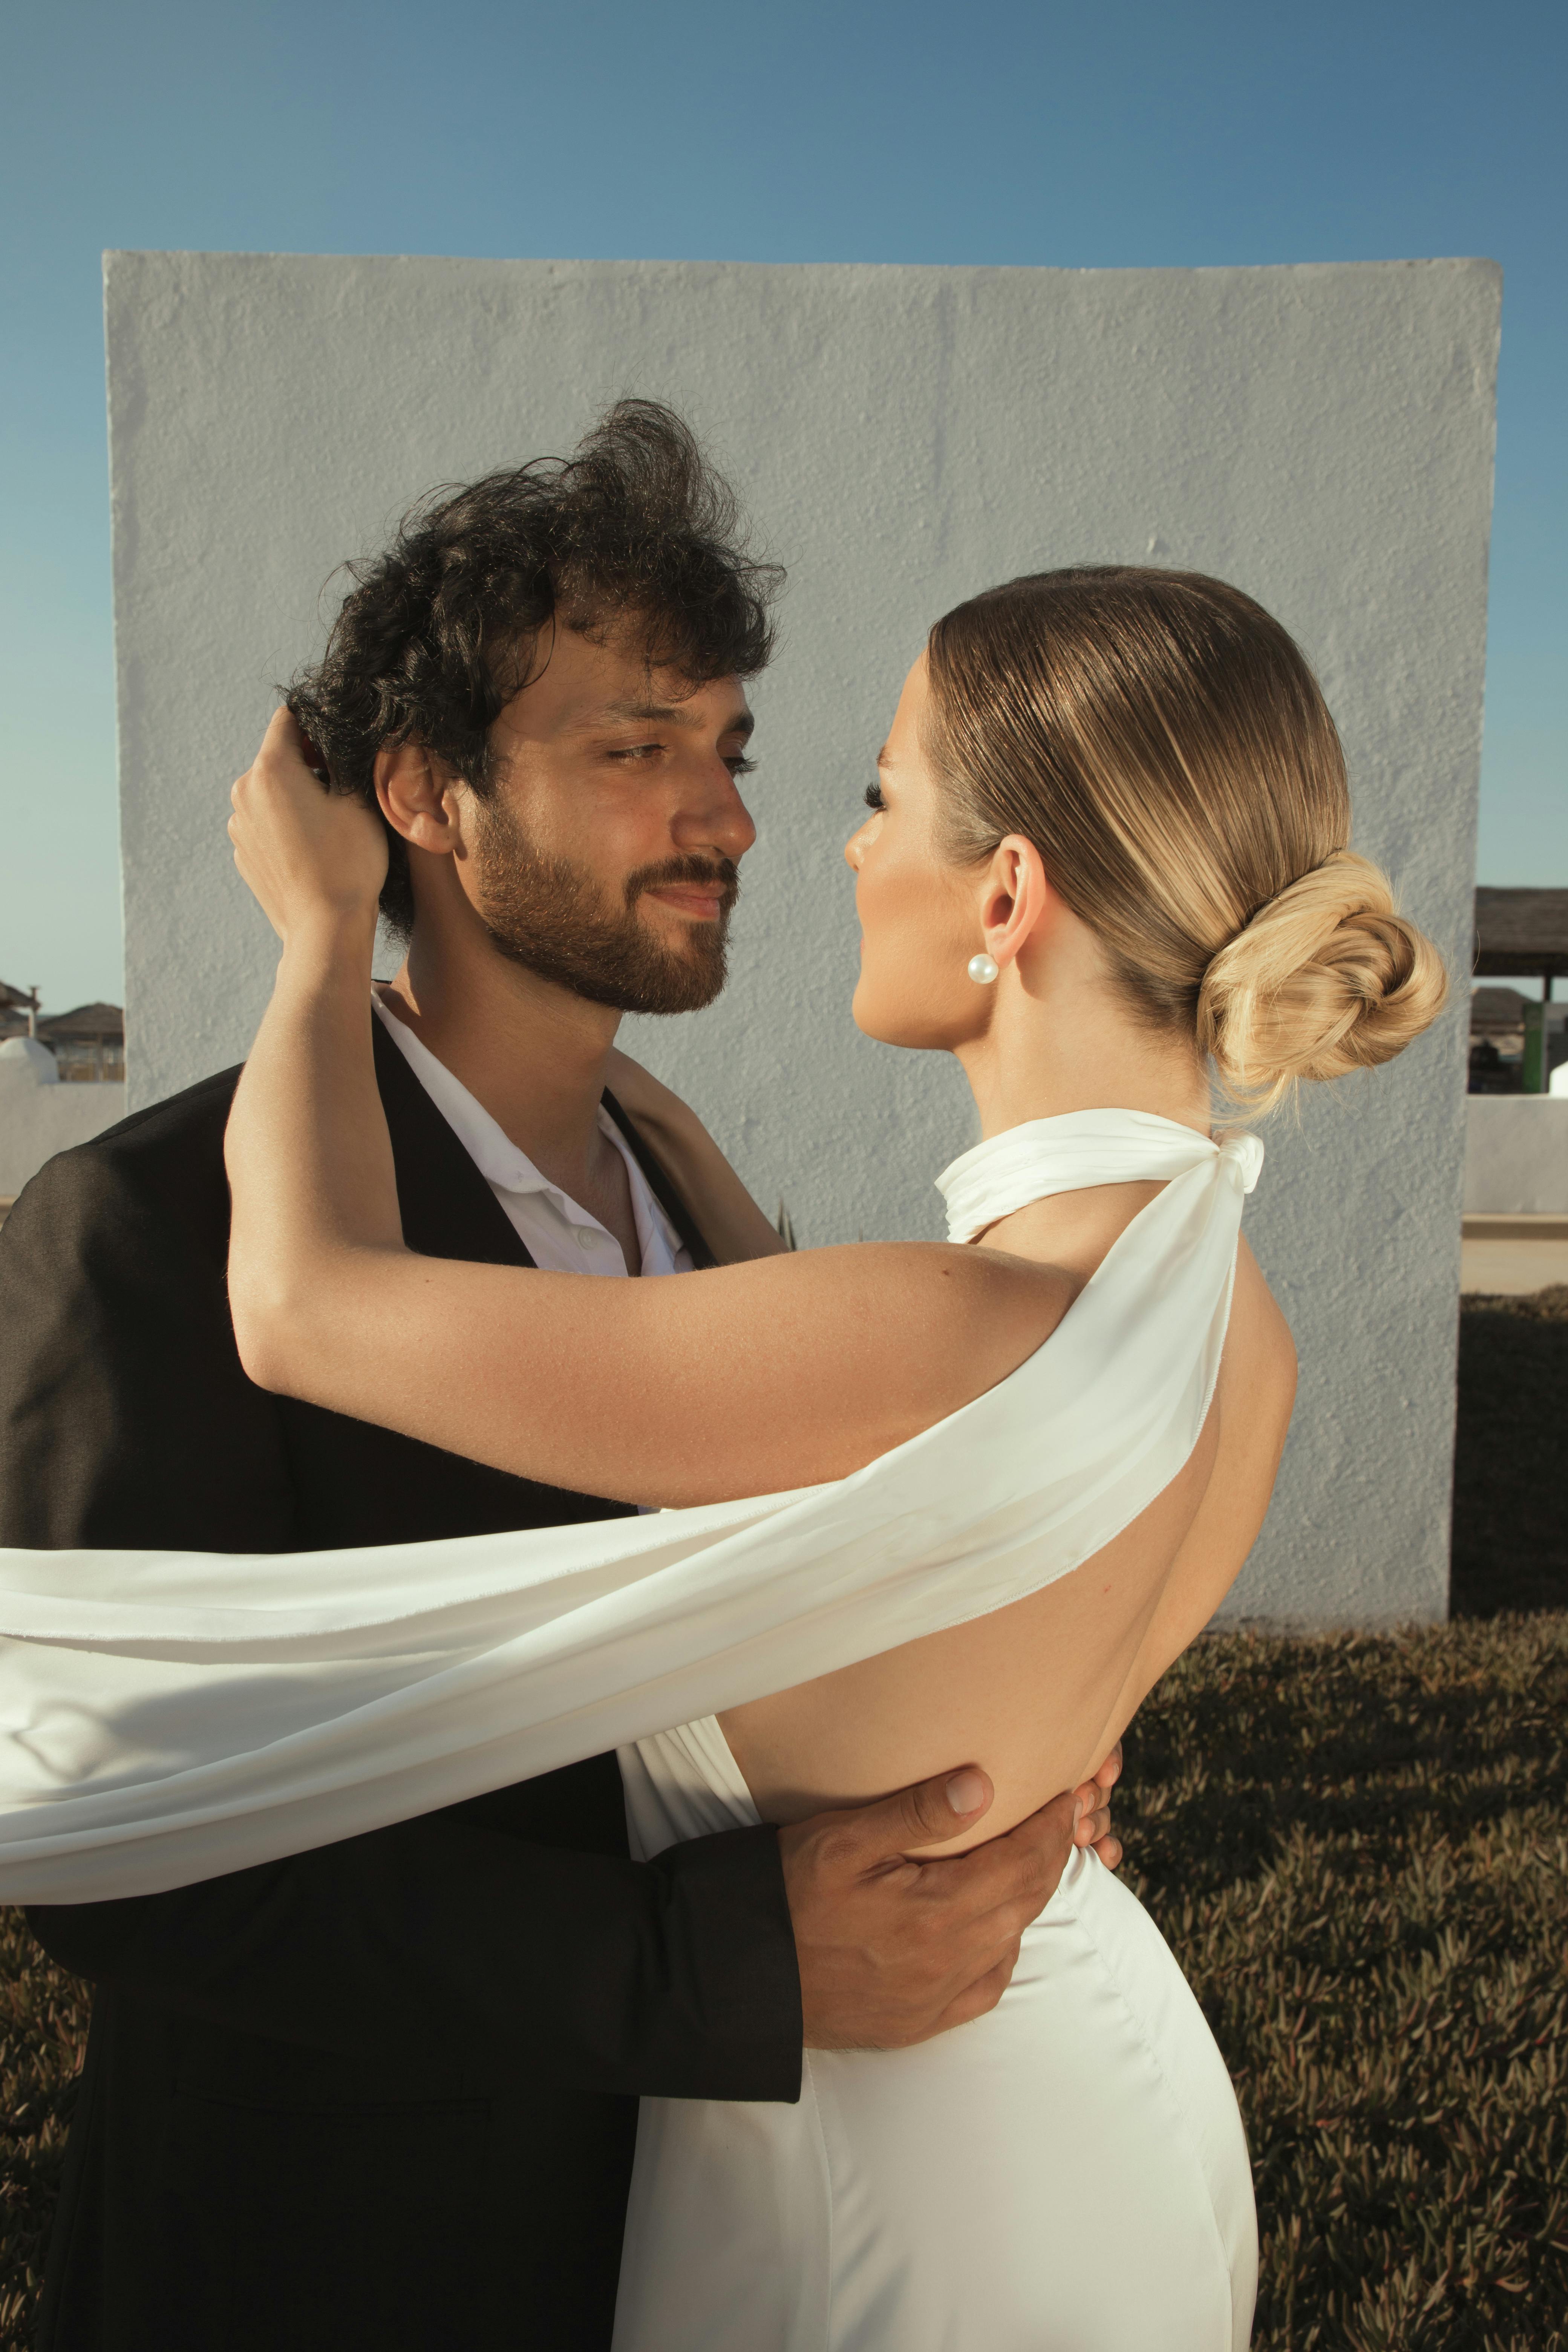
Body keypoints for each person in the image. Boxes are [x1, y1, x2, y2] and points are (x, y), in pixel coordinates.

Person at [213, 558, 1448, 2348]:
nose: (840, 848)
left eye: (880, 797)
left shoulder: (944, 1328)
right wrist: (666, 1138)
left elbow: (302, 1309)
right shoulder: (1228, 1313)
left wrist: (323, 933)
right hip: (1088, 2103)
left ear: (1005, 894)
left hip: (884, 2174)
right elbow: (901, 1530)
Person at [0, 405, 1119, 2352]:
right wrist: (717, 1966)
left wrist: (988, 1750)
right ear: (425, 795)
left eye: (730, 750)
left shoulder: (695, 1205)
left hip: (727, 2248)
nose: (731, 815)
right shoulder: (139, 1225)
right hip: (343, 2264)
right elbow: (116, 1859)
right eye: (637, 750)